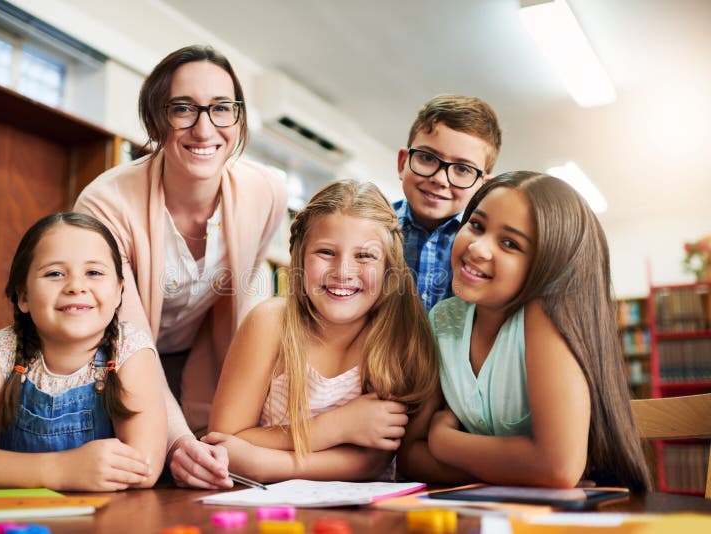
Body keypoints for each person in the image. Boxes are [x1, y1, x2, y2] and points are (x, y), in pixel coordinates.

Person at [74, 45, 288, 488]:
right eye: (183, 108)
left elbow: (251, 282)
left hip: (201, 356)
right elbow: (128, 338)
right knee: (136, 477)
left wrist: (251, 401)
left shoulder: (267, 191)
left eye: (222, 109)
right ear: (156, 118)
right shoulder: (105, 204)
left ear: (239, 119)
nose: (204, 128)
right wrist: (174, 440)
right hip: (112, 361)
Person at [397, 172, 652, 490]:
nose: (478, 247)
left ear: (547, 266)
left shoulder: (542, 316)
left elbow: (556, 468)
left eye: (509, 243)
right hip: (494, 514)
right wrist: (515, 472)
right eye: (476, 225)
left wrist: (444, 442)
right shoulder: (444, 319)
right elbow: (410, 457)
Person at [204, 180, 439, 482]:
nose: (343, 271)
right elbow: (223, 442)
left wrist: (259, 462)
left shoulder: (396, 341)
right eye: (326, 252)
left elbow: (369, 464)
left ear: (389, 266)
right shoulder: (270, 323)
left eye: (364, 256)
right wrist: (334, 427)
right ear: (300, 257)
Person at [0, 213, 166, 491]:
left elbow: (143, 468)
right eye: (54, 274)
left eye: (94, 272)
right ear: (23, 295)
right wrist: (60, 469)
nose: (76, 286)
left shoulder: (129, 350)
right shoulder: (3, 350)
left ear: (120, 291)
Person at [394, 94, 502, 311]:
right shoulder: (370, 228)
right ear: (403, 163)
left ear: (483, 187)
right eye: (427, 158)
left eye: (463, 169)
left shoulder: (487, 253)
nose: (440, 179)